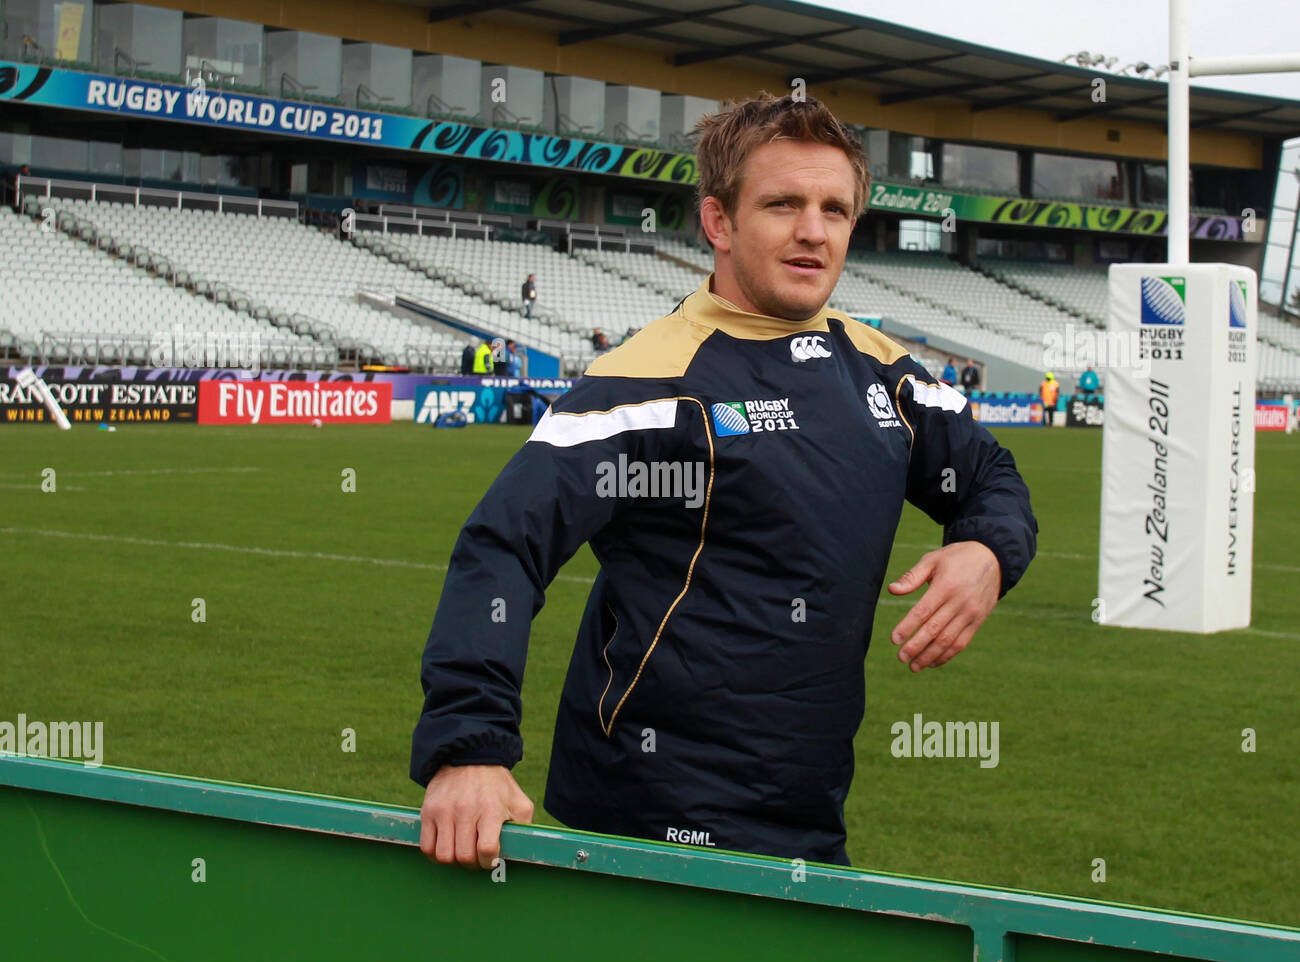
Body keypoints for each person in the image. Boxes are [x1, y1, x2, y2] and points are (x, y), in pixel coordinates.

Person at [411, 90, 1037, 870]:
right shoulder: (647, 381)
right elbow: (504, 545)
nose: (814, 230)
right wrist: (469, 746)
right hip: (644, 822)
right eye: (782, 204)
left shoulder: (879, 370)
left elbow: (991, 479)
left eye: (834, 209)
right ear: (719, 222)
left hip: (806, 818)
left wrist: (986, 550)